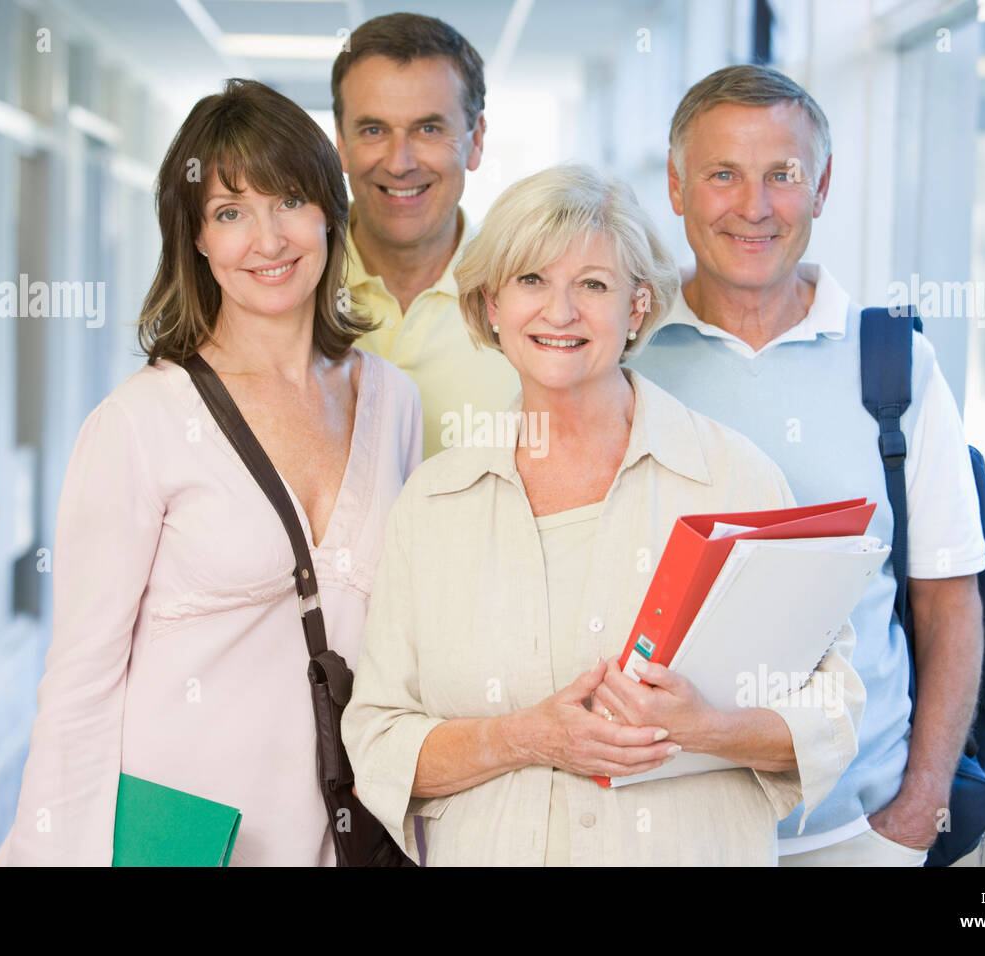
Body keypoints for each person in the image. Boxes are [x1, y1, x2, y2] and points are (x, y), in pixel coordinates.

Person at [341, 164, 864, 866]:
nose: (560, 312)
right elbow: (378, 741)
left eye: (592, 284)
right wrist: (526, 736)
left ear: (638, 307)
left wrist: (709, 727)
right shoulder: (432, 505)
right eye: (530, 281)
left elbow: (833, 711)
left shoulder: (735, 480)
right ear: (491, 304)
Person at [0, 79, 422, 866]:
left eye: (289, 200)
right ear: (194, 238)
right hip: (187, 841)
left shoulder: (393, 402)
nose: (268, 240)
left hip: (350, 833)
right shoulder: (138, 424)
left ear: (330, 208)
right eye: (230, 213)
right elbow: (80, 689)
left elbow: (413, 643)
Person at [626, 64, 985, 866]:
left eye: (782, 175)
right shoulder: (625, 352)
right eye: (723, 174)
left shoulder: (894, 363)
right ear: (679, 189)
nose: (754, 207)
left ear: (821, 187)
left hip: (858, 833)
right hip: (664, 831)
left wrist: (919, 811)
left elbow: (947, 599)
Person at [331, 12, 520, 459]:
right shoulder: (283, 289)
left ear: (475, 141)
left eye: (429, 129)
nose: (399, 163)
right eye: (373, 129)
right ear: (340, 141)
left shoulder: (535, 309)